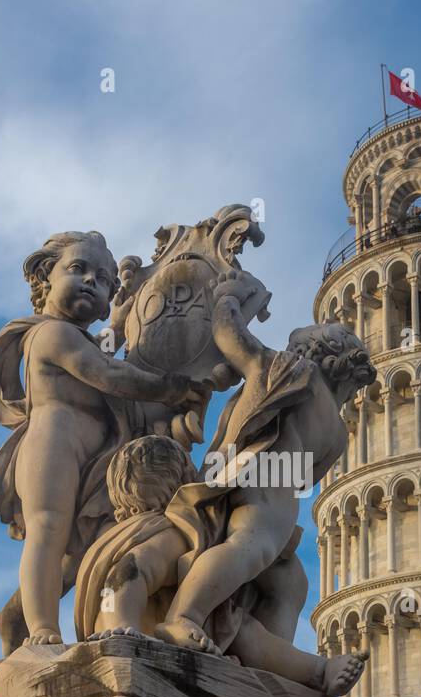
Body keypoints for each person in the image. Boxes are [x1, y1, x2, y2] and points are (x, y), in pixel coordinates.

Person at [0, 231, 204, 650]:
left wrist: (122, 315)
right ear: (45, 276)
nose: (91, 281)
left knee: (79, 555)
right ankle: (42, 627)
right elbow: (110, 375)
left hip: (98, 457)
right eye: (78, 269)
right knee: (48, 528)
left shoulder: (83, 340)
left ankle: (14, 617)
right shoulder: (50, 335)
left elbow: (105, 351)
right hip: (53, 445)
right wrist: (169, 389)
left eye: (102, 279)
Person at [155, 273, 376, 664]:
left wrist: (230, 300)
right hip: (271, 491)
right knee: (252, 548)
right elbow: (308, 476)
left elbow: (235, 341)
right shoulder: (333, 421)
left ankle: (266, 661)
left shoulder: (293, 372)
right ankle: (183, 616)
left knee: (289, 582)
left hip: (256, 479)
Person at [74, 435, 367, 697]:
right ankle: (317, 671)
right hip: (143, 632)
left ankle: (317, 672)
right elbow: (125, 576)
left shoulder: (169, 534)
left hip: (182, 631)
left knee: (240, 627)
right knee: (245, 633)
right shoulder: (170, 532)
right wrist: (122, 627)